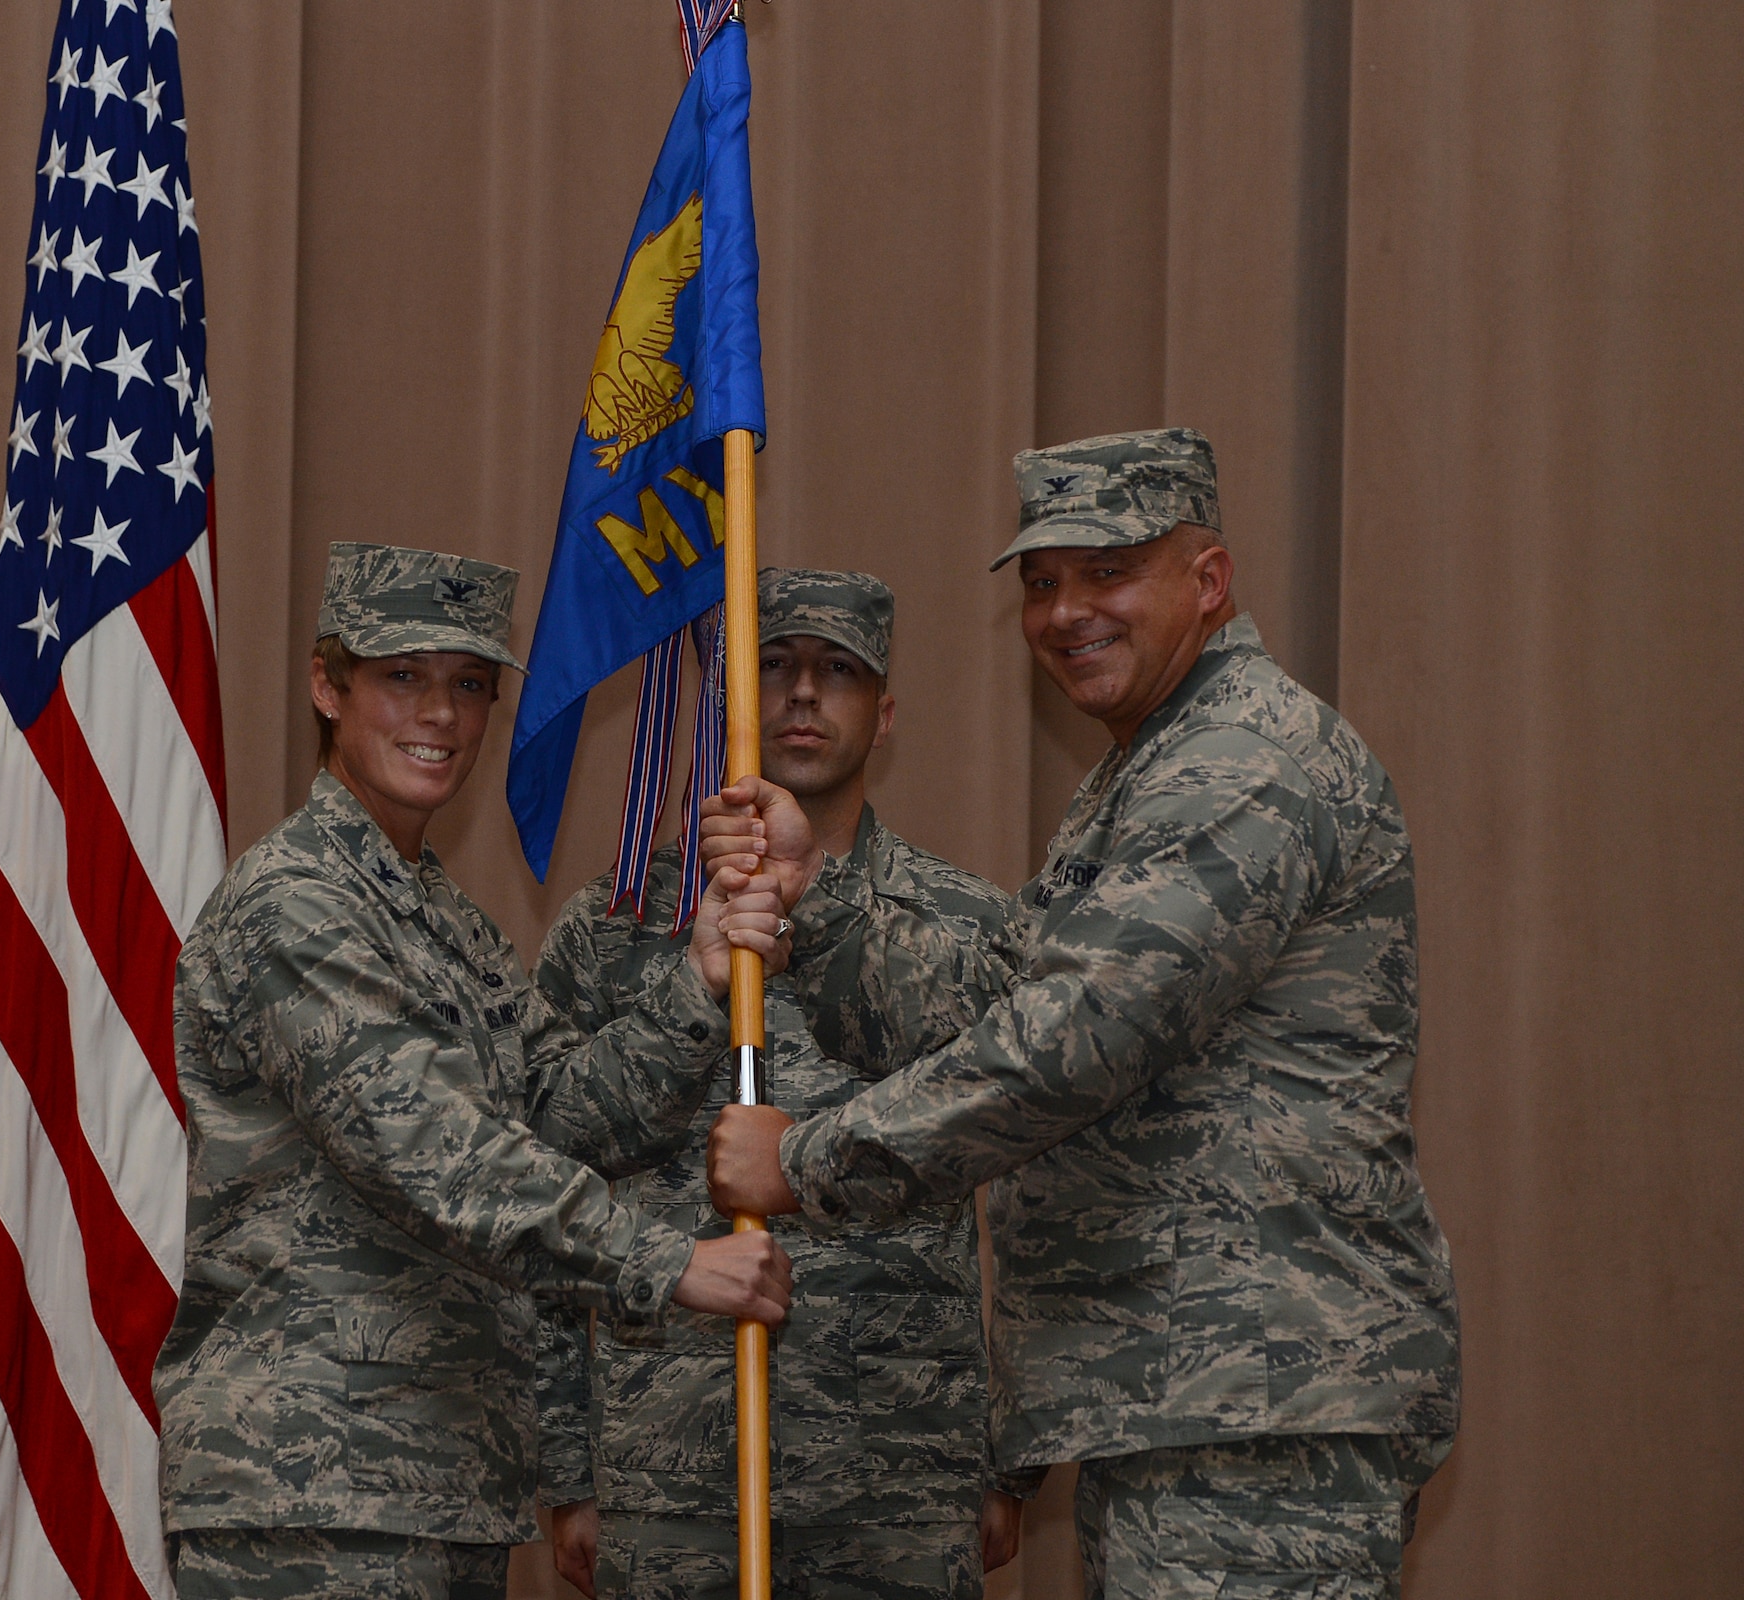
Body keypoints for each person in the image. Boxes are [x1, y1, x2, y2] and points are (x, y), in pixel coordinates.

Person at [702, 431, 1462, 1599]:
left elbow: (1068, 1045)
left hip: (1254, 1406)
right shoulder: (1151, 765)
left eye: (1106, 571)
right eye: (1041, 580)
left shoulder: (1240, 764)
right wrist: (828, 901)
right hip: (1182, 1395)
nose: (1064, 611)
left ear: (1205, 583)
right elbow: (1006, 999)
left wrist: (799, 1160)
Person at [156, 542, 797, 1600]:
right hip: (312, 1482)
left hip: (438, 1477)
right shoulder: (295, 904)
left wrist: (693, 982)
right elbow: (425, 1148)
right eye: (401, 675)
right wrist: (666, 1262)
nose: (441, 715)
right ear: (329, 685)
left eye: (468, 684)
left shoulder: (443, 918)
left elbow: (556, 1113)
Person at [533, 569, 1032, 1600]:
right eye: (775, 664)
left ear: (884, 711)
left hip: (898, 1471)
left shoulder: (969, 925)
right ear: (726, 698)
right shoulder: (616, 922)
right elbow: (544, 1179)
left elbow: (1029, 1183)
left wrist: (1006, 1451)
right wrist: (565, 1467)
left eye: (838, 670)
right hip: (671, 1464)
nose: (803, 694)